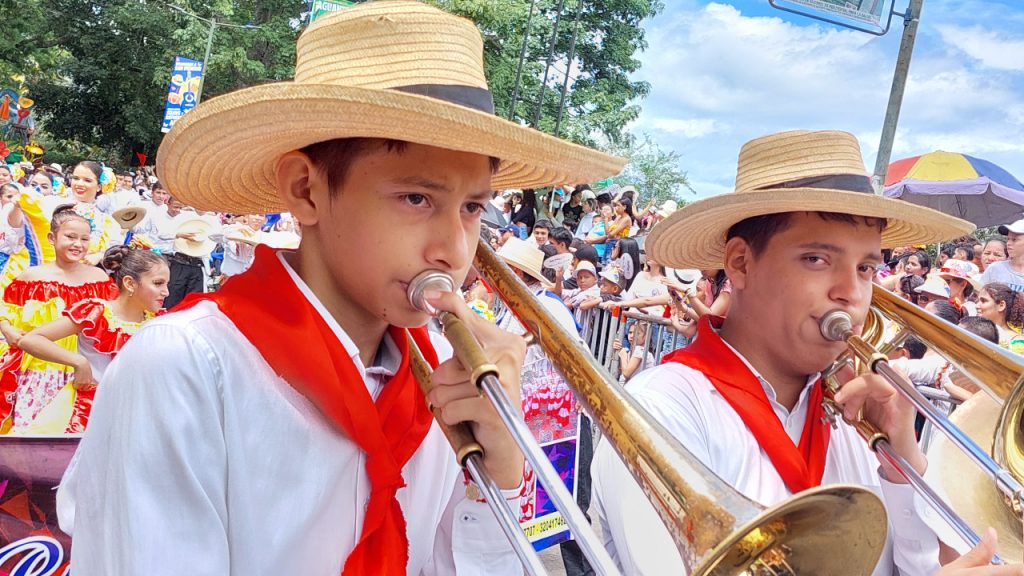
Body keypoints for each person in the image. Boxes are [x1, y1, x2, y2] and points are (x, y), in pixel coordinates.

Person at [59, 3, 623, 574]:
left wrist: (499, 467)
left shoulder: (446, 377)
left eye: (473, 207)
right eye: (416, 199)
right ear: (305, 190)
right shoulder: (183, 366)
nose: (455, 249)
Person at [589, 129, 1020, 575]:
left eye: (866, 268)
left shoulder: (858, 417)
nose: (851, 293)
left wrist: (902, 463)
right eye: (816, 259)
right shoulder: (660, 411)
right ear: (739, 264)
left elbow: (929, 566)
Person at [16, 246, 168, 432]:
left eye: (166, 284)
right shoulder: (97, 312)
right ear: (130, 283)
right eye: (158, 283)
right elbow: (31, 339)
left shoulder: (160, 321)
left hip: (141, 413)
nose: (166, 292)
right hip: (92, 413)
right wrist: (78, 362)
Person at [0, 205, 118, 434]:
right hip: (40, 369)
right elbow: (6, 309)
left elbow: (113, 320)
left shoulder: (99, 278)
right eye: (71, 237)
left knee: (80, 432)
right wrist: (7, 329)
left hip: (87, 372)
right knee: (34, 431)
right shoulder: (32, 277)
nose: (78, 244)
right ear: (52, 238)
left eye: (85, 239)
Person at [977, 282, 1024, 353]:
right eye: (977, 301)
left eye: (983, 301)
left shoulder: (1017, 344)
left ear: (1001, 305)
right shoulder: (974, 328)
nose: (977, 306)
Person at [982, 219, 1024, 293]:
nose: (1008, 243)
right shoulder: (995, 269)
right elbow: (979, 297)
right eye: (1008, 239)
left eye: (1014, 240)